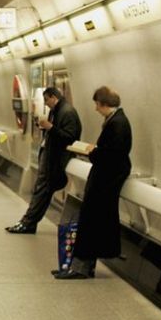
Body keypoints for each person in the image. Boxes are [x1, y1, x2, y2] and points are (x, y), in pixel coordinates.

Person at [55, 86, 131, 279]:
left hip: (105, 180)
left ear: (104, 104)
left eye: (97, 104)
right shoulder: (117, 121)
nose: (96, 109)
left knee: (91, 222)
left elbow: (109, 154)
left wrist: (92, 152)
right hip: (106, 179)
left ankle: (81, 267)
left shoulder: (117, 124)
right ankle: (84, 265)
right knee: (93, 223)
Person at [6, 86, 82, 234]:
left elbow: (70, 138)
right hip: (50, 159)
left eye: (47, 100)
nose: (46, 104)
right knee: (41, 193)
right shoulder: (57, 111)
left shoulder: (67, 112)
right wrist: (46, 128)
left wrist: (50, 128)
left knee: (41, 192)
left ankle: (27, 223)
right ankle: (28, 222)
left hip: (54, 161)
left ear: (54, 97)